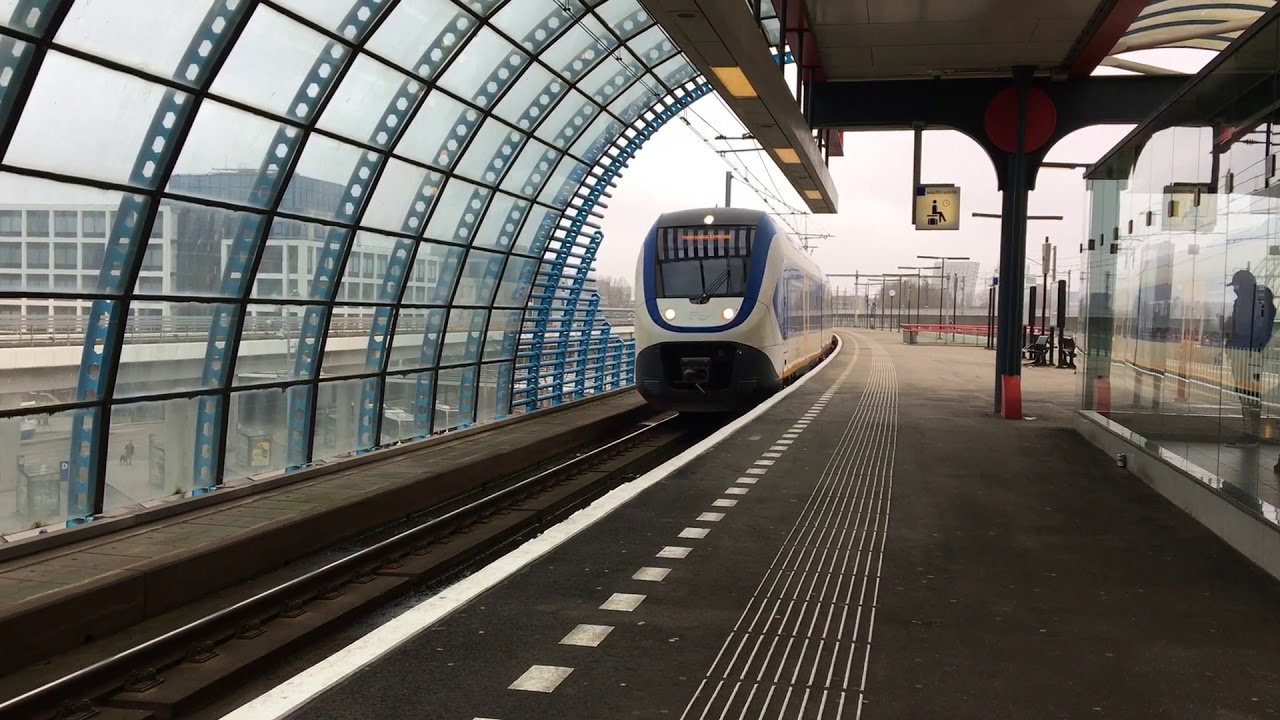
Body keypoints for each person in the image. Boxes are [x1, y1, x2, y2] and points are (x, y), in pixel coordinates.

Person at [1224, 269, 1276, 456]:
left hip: (1249, 353)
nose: (1234, 290)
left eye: (1236, 285)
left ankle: (1252, 435)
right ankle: (1248, 433)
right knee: (1244, 394)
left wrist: (1255, 349)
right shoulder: (1241, 301)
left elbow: (1262, 326)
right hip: (1239, 351)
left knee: (1250, 395)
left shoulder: (1260, 298)